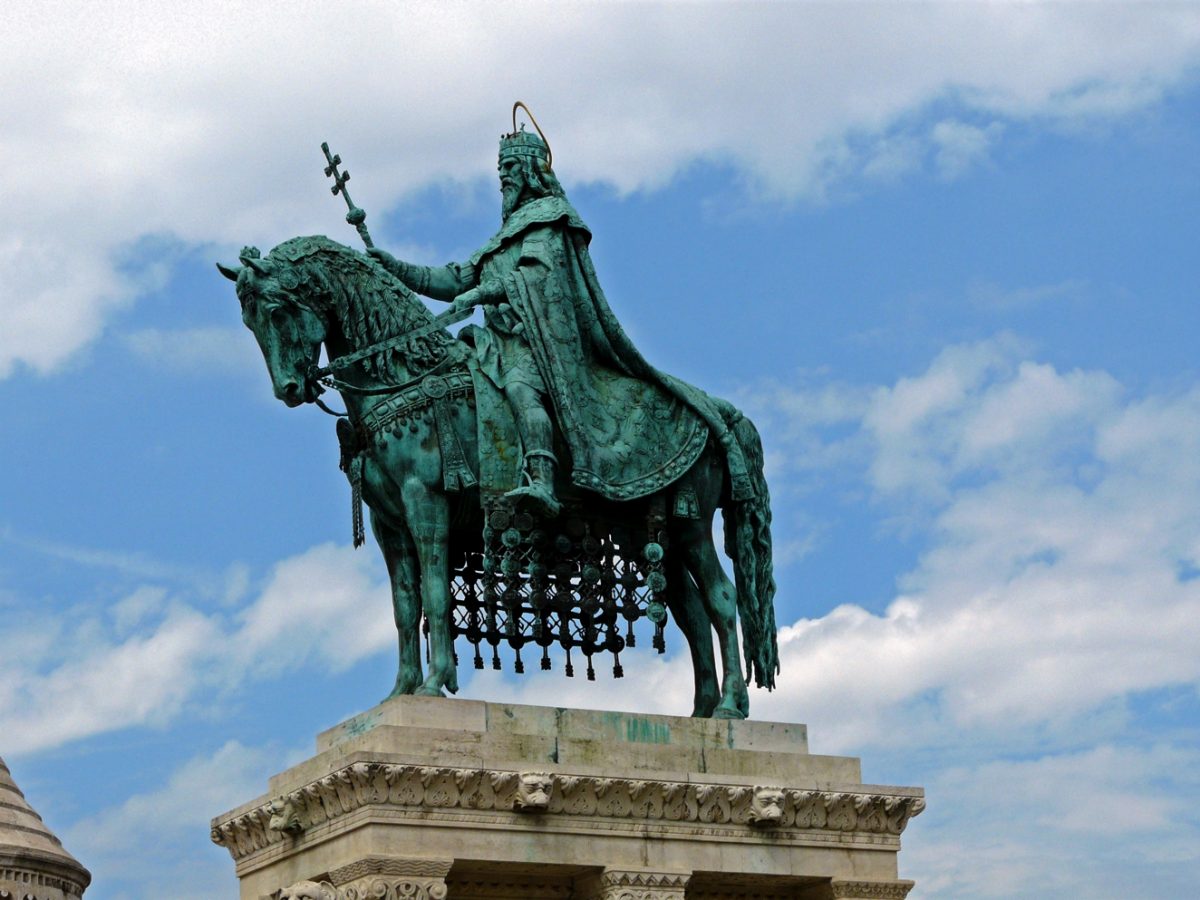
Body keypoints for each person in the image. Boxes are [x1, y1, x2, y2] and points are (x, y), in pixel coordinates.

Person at [368, 115, 751, 517]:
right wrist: (394, 267)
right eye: (500, 170)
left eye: (511, 168)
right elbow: (454, 278)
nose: (503, 177)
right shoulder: (503, 237)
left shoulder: (550, 216)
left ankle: (543, 482)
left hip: (538, 344)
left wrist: (486, 292)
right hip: (493, 342)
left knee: (520, 389)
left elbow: (538, 275)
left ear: (532, 170)